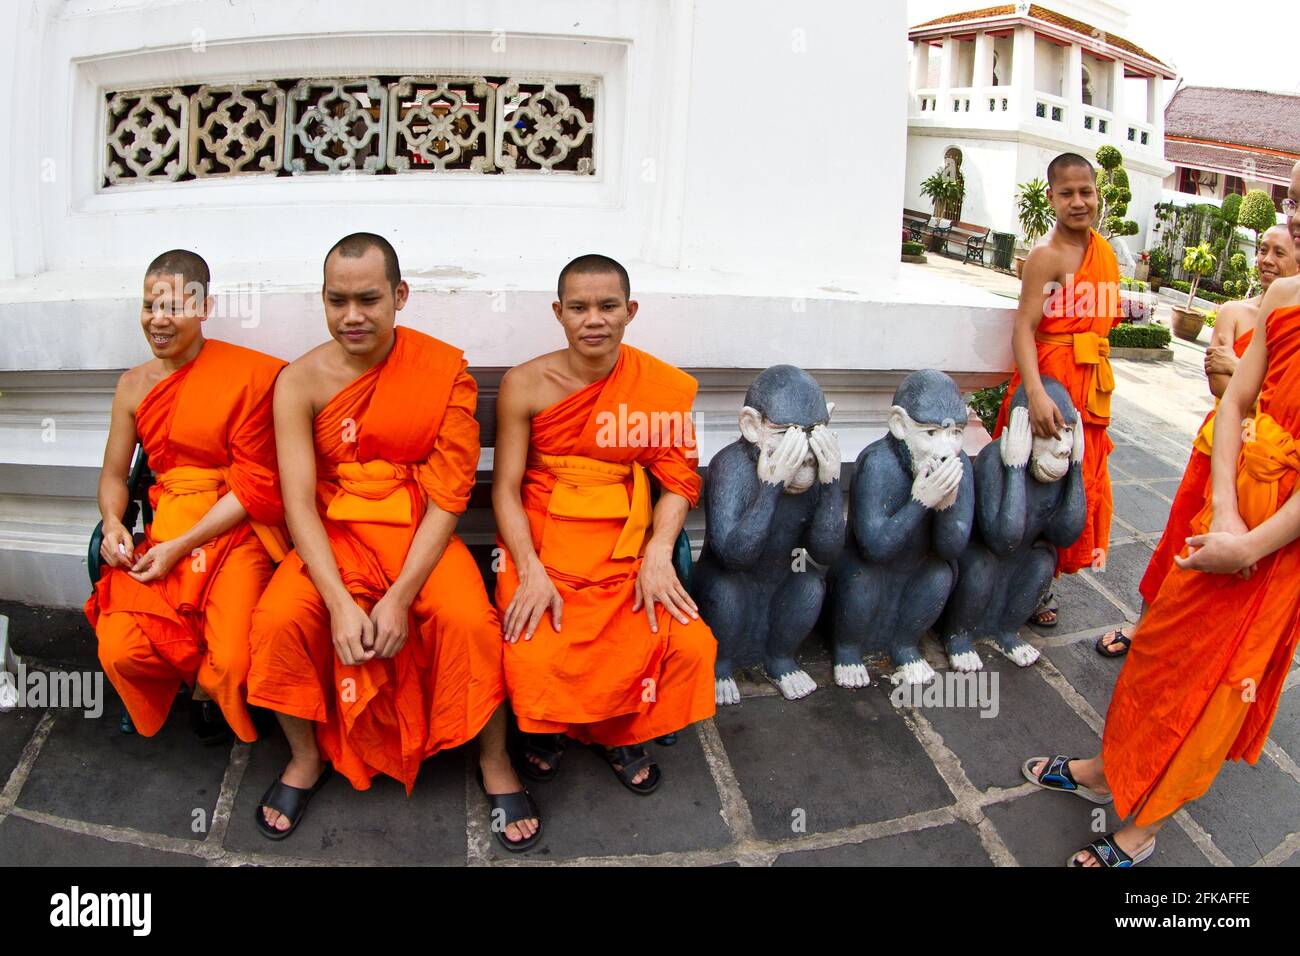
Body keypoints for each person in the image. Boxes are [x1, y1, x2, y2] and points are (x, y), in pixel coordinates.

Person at [246, 233, 539, 851]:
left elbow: (449, 496)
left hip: (416, 534)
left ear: (399, 296)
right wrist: (339, 601)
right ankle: (304, 755)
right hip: (335, 534)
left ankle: (494, 759)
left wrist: (400, 596)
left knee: (469, 621)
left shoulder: (441, 372)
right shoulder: (298, 381)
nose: (353, 316)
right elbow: (298, 500)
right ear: (323, 302)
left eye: (370, 299)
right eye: (338, 300)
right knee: (276, 621)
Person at [1025, 272, 1300, 867]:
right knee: (1158, 653)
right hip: (1227, 515)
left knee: (1214, 690)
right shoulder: (1284, 298)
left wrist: (1250, 548)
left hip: (1277, 553)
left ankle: (1143, 829)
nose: (1297, 221)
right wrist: (1225, 508)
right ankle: (1106, 769)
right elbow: (1234, 404)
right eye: (1295, 205)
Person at [493, 254, 716, 793]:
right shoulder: (525, 384)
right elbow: (504, 489)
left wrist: (659, 552)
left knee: (687, 644)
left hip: (625, 543)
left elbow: (679, 481)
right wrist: (529, 569)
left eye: (608, 305)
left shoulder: (656, 386)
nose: (594, 319)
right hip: (543, 542)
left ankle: (620, 730)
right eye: (579, 307)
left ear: (629, 311)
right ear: (559, 313)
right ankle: (552, 731)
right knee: (535, 648)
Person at [86, 250, 287, 745]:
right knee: (118, 649)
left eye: (173, 306)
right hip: (165, 523)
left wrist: (180, 548)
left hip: (233, 528)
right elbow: (114, 475)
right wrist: (113, 524)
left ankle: (206, 691)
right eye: (149, 305)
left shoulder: (248, 376)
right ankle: (187, 677)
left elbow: (254, 483)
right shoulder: (132, 386)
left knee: (236, 659)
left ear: (203, 307)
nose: (158, 319)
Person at [1097, 225, 1298, 656]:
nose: (1266, 260)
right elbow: (1221, 387)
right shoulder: (1233, 313)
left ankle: (1192, 643)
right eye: (1262, 249)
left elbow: (1256, 390)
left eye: (1279, 253)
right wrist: (1250, 381)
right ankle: (1144, 623)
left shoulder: (1286, 317)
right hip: (1218, 446)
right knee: (1180, 535)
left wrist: (1240, 365)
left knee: (1239, 560)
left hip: (1267, 461)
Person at [994, 152, 1121, 628]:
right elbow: (1024, 328)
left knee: (1077, 484)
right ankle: (1008, 580)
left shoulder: (1103, 252)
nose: (1078, 201)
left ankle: (1044, 580)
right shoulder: (1046, 256)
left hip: (1090, 384)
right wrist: (1038, 394)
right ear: (1050, 198)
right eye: (1066, 193)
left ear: (1096, 194)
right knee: (1032, 480)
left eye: (1085, 191)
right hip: (1051, 378)